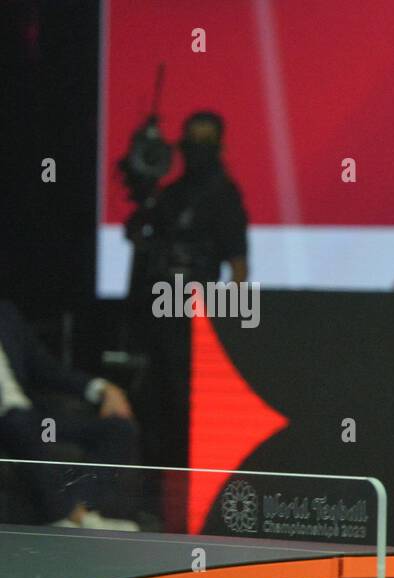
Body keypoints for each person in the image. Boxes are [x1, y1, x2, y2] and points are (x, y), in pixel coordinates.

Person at [124, 110, 249, 470]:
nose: (196, 150)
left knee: (185, 399)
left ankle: (187, 477)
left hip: (197, 312)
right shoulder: (170, 195)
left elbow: (238, 264)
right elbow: (145, 241)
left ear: (219, 146)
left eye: (205, 142)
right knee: (154, 397)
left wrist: (227, 323)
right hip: (158, 309)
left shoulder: (224, 195)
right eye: (191, 141)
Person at [0, 300, 140, 529]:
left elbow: (44, 367)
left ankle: (79, 511)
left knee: (118, 429)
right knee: (18, 422)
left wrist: (101, 388)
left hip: (31, 416)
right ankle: (64, 515)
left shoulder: (4, 312)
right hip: (8, 419)